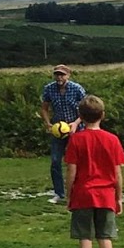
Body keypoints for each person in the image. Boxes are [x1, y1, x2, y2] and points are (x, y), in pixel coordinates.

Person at [63, 95, 124, 248]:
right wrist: (119, 197)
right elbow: (117, 174)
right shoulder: (112, 140)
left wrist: (68, 195)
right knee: (105, 238)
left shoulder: (76, 140)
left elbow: (71, 172)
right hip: (106, 195)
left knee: (85, 238)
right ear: (103, 115)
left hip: (83, 194)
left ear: (80, 116)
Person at [39, 64, 86, 201]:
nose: (59, 77)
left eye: (62, 74)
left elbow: (85, 109)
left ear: (68, 75)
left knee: (78, 161)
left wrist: (76, 123)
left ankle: (79, 190)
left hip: (76, 129)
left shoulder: (77, 89)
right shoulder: (49, 89)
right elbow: (44, 108)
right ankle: (59, 193)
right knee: (55, 161)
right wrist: (48, 123)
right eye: (57, 74)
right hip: (58, 130)